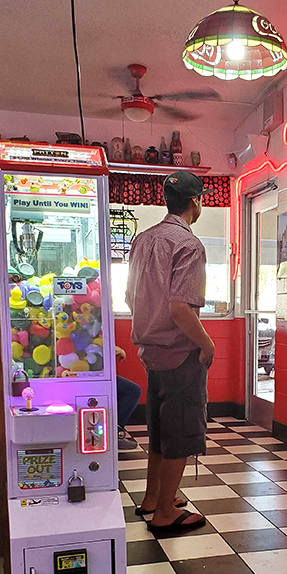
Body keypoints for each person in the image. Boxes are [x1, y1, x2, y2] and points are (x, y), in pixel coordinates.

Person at [125, 171, 214, 533]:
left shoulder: (143, 239)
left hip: (149, 351)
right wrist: (206, 345)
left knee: (159, 428)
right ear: (196, 202)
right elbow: (180, 308)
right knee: (180, 432)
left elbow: (130, 297)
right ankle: (165, 512)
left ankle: (151, 499)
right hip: (179, 353)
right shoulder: (188, 245)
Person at [114, 345, 142, 451]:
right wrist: (119, 350)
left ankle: (114, 432)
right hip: (96, 375)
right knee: (133, 391)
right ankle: (116, 433)